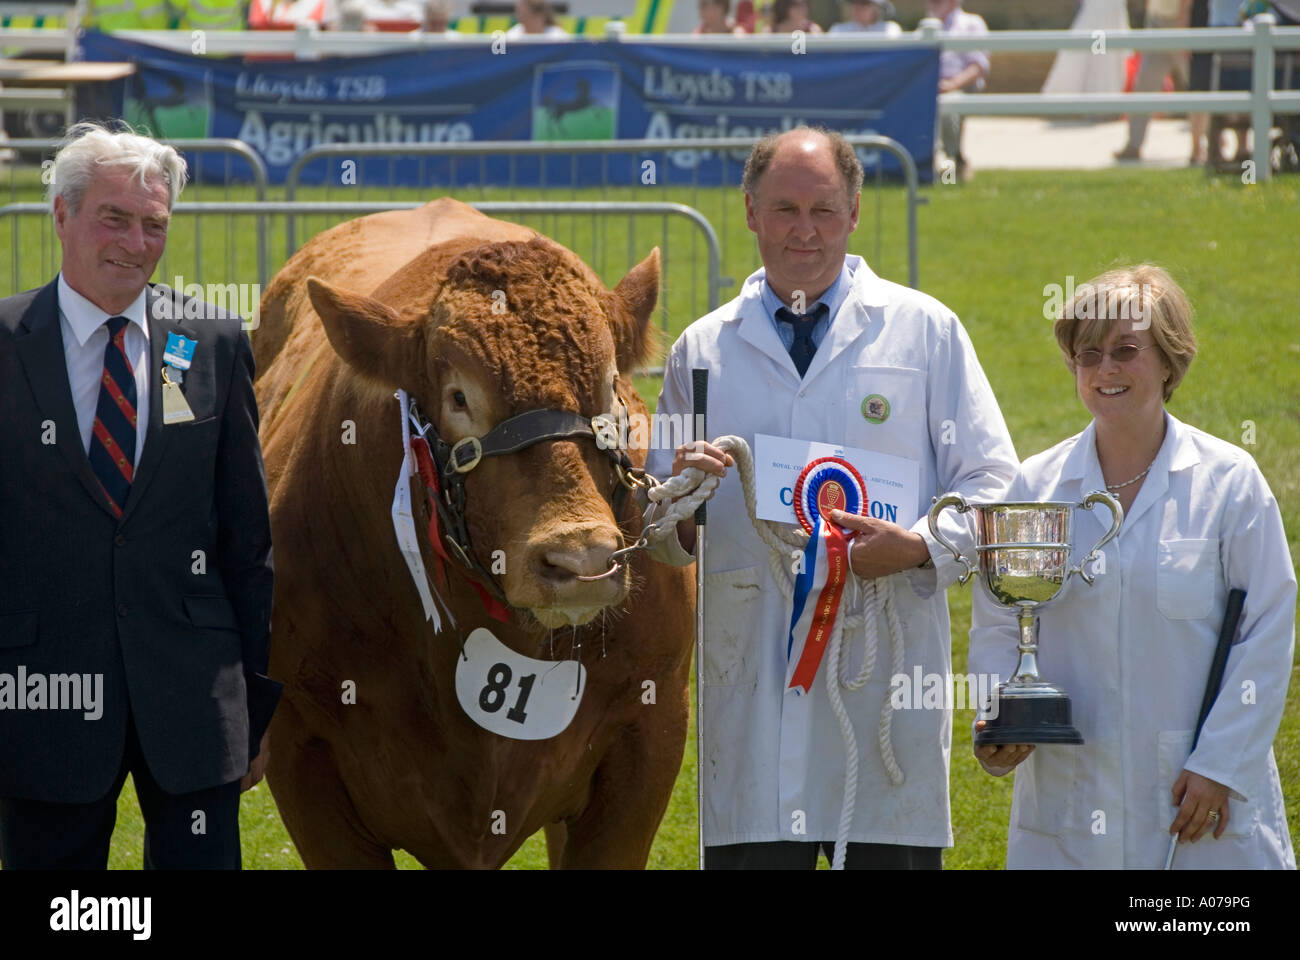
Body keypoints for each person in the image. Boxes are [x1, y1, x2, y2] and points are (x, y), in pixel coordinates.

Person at [644, 126, 1018, 869]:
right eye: (784, 209)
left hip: (884, 681)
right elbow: (658, 526)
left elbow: (996, 487)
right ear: (749, 212)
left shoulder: (925, 332)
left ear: (853, 214)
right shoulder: (702, 351)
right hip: (751, 685)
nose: (804, 232)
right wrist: (680, 497)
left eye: (824, 210)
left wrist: (918, 547)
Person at [0, 122, 280, 869]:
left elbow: (247, 540)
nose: (135, 241)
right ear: (61, 215)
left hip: (193, 696)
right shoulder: (3, 343)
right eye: (113, 218)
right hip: (41, 700)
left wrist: (254, 705)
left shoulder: (212, 341)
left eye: (153, 224)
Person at [968, 264, 1295, 869]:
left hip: (1196, 802)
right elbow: (996, 624)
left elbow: (1268, 632)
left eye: (1126, 351)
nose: (1105, 370)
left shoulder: (1229, 484)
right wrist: (997, 720)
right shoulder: (1036, 485)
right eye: (1088, 355)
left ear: (1169, 362)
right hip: (1067, 807)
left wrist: (1221, 764)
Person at [1115, 0, 1192, 161]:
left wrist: (1183, 23)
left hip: (1180, 22)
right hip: (1156, 20)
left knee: (1197, 85)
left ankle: (1212, 144)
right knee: (1144, 84)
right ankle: (1134, 145)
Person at [928, 0, 990, 182]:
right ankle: (926, 168)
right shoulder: (926, 26)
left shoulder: (971, 23)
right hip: (929, 89)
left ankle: (948, 175)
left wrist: (951, 85)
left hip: (960, 88)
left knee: (947, 111)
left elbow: (978, 67)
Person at [829, 0, 902, 36]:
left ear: (877, 7)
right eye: (853, 2)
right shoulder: (838, 30)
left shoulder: (890, 29)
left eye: (864, 3)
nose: (857, 7)